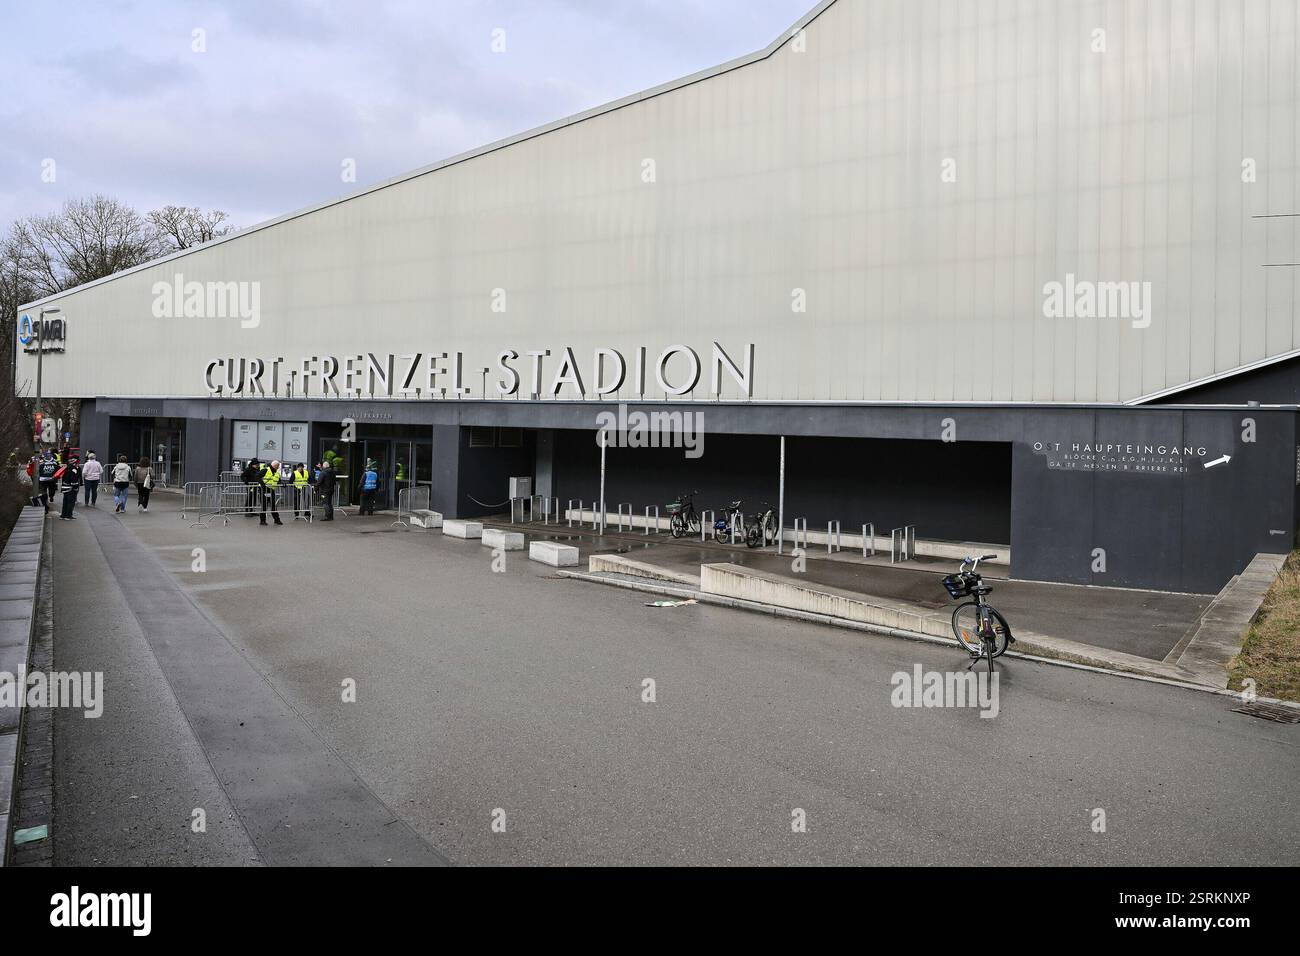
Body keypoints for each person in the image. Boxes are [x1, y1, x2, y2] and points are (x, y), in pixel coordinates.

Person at [260, 459, 283, 526]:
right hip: (264, 490)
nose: (278, 467)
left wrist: (282, 484)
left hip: (271, 490)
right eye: (278, 466)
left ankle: (276, 519)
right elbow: (257, 477)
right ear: (274, 465)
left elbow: (278, 480)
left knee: (273, 505)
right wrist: (262, 484)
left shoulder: (276, 472)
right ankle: (262, 520)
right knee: (264, 506)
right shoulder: (265, 470)